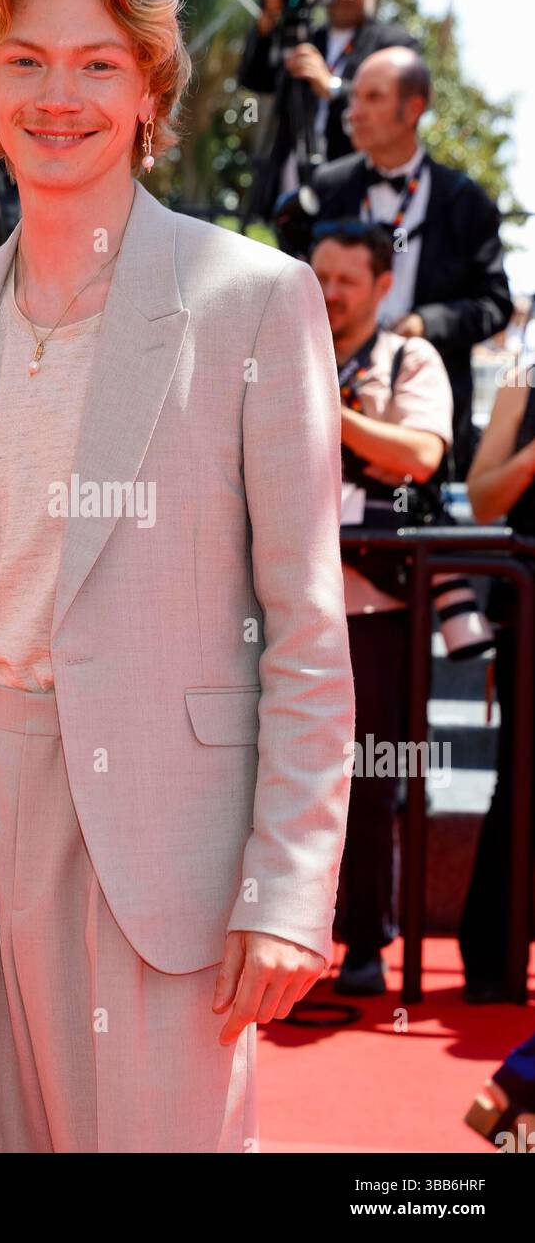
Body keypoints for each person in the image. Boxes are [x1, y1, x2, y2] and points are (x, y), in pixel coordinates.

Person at [0, 0, 355, 1155]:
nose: (57, 95)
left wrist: (288, 888)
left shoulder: (252, 300)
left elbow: (303, 621)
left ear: (149, 91)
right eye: (24, 61)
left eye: (96, 63)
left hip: (162, 837)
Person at [310, 219, 453, 994]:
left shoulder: (409, 357)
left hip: (375, 602)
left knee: (368, 778)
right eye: (320, 276)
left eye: (346, 281)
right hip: (276, 600)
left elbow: (420, 454)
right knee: (270, 774)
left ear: (382, 285)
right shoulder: (277, 342)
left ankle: (365, 940)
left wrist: (328, 413)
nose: (329, 294)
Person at [306, 47, 512, 482]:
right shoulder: (327, 187)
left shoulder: (466, 201)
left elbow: (495, 305)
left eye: (372, 98)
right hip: (321, 411)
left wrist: (424, 323)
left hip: (420, 416)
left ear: (413, 108)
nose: (353, 112)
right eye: (353, 97)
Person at [238, 0, 418, 216]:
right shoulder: (305, 37)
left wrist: (332, 86)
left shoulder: (394, 45)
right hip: (292, 196)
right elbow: (255, 77)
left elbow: (396, 111)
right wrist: (267, 20)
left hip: (357, 194)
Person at [460, 355, 535, 1000]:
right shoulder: (523, 380)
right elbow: (483, 501)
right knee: (522, 777)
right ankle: (491, 959)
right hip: (529, 617)